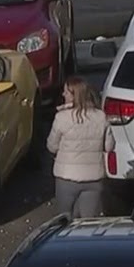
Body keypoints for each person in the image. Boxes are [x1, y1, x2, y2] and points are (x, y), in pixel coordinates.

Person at [47, 77, 114, 218]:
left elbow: (51, 146)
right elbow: (109, 146)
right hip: (93, 178)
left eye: (66, 92)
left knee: (64, 221)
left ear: (73, 95)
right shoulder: (101, 117)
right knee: (88, 223)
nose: (63, 94)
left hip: (66, 178)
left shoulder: (62, 118)